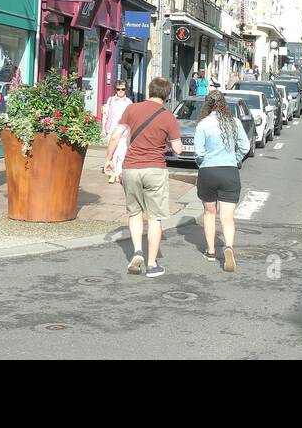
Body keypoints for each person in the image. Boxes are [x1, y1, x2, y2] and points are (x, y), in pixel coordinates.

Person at [104, 77, 182, 279]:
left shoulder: (132, 109)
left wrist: (109, 159)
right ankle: (152, 264)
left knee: (135, 213)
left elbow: (116, 136)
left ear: (150, 90)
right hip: (155, 169)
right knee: (155, 217)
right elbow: (178, 149)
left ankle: (137, 250)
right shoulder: (168, 117)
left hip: (131, 167)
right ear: (167, 95)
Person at [194, 89, 251, 272]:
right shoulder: (234, 122)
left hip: (208, 171)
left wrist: (202, 163)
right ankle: (228, 247)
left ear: (207, 105)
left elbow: (199, 153)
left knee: (209, 213)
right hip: (229, 171)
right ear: (224, 104)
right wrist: (235, 159)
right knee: (227, 217)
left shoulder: (203, 124)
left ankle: (211, 251)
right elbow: (245, 146)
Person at [102, 80, 134, 184]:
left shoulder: (129, 102)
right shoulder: (110, 100)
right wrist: (103, 129)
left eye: (123, 89)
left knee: (122, 154)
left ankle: (118, 174)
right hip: (112, 130)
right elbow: (105, 115)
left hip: (124, 132)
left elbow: (132, 117)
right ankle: (112, 174)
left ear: (126, 90)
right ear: (115, 89)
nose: (120, 91)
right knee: (113, 153)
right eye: (118, 89)